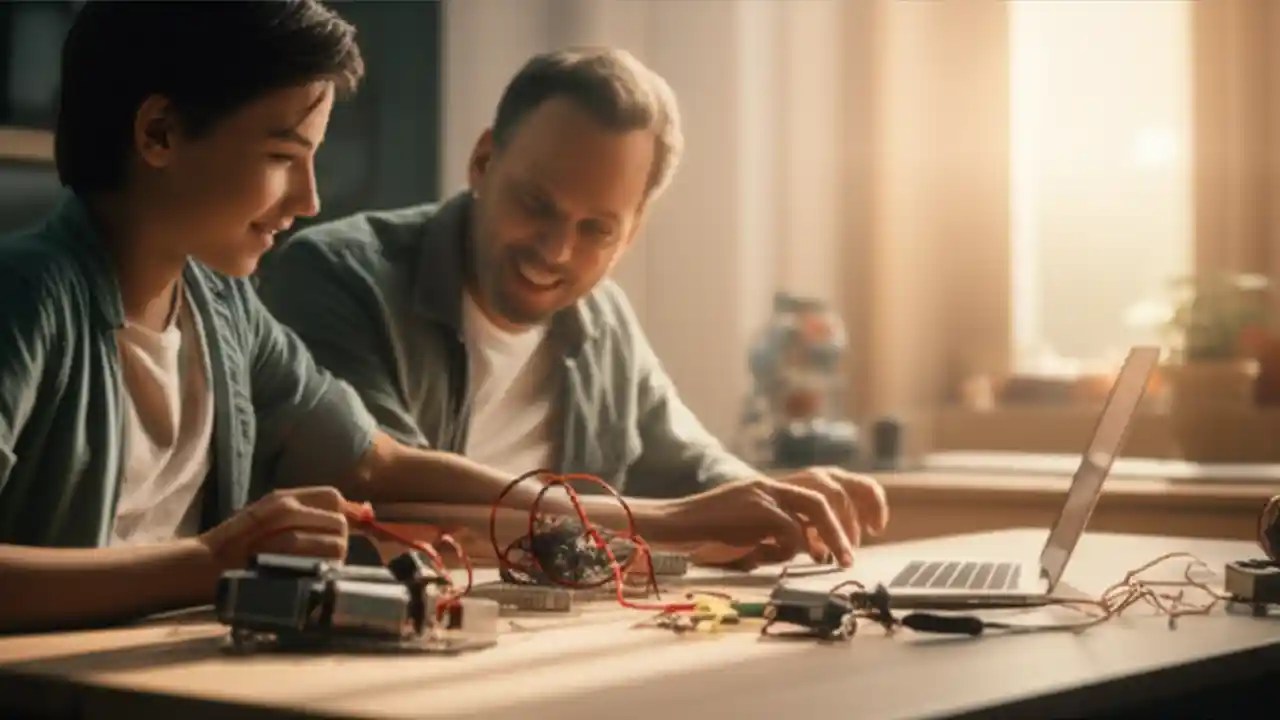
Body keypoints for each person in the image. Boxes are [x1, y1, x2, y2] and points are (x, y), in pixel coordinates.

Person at [0, 8, 861, 633]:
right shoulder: (30, 297)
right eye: (283, 157)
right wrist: (209, 563)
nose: (310, 198)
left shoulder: (223, 310)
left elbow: (377, 462)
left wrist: (670, 522)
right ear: (158, 133)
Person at [256, 48, 890, 571]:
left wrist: (776, 499)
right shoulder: (337, 275)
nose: (555, 250)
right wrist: (674, 523)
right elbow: (387, 495)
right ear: (483, 162)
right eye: (536, 203)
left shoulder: (603, 319)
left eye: (597, 229)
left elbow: (691, 467)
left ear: (632, 233)